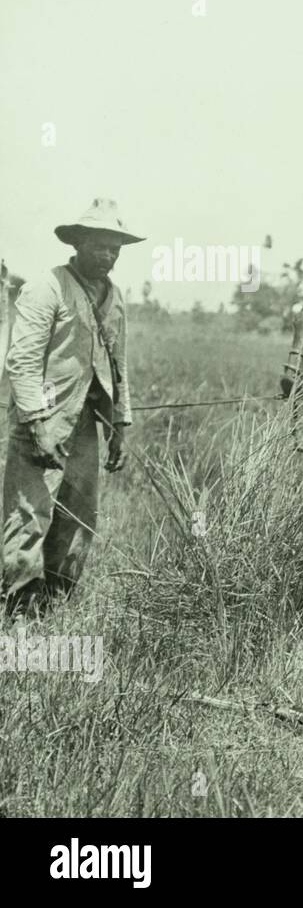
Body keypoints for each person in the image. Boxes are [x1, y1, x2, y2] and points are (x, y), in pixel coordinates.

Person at [2, 198, 139, 618]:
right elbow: (21, 361)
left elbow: (119, 365)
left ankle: (54, 607)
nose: (109, 254)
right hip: (39, 421)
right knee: (29, 517)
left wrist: (120, 423)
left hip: (84, 426)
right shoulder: (46, 288)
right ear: (78, 243)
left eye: (115, 247)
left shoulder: (114, 298)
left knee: (78, 520)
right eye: (100, 245)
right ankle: (16, 610)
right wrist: (37, 422)